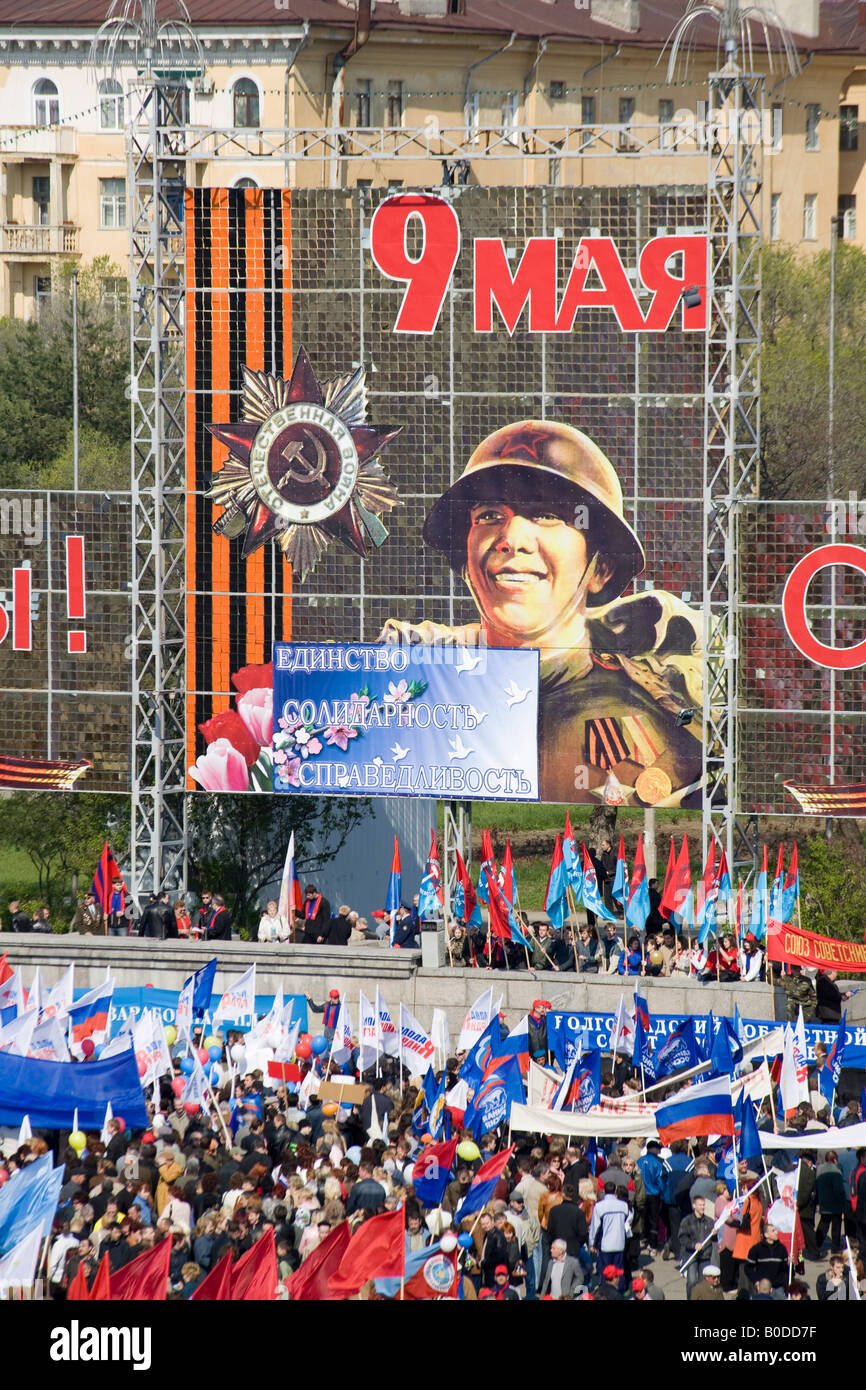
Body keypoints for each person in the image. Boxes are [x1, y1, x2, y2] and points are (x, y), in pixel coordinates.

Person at [378, 420, 703, 806]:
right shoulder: (411, 670)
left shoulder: (655, 712)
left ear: (601, 569)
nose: (511, 538)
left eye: (548, 515)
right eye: (487, 515)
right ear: (465, 560)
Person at [678, 1194, 716, 1299]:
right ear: (694, 1206)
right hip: (692, 1255)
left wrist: (715, 1234)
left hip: (705, 1256)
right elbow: (682, 1237)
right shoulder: (687, 1221)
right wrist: (693, 1245)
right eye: (700, 1205)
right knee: (692, 1281)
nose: (702, 1207)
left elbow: (714, 1239)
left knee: (703, 1283)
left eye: (703, 1205)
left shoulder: (709, 1221)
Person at [745, 1222, 789, 1299]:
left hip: (777, 1288)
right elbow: (748, 1268)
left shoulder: (782, 1249)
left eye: (775, 1230)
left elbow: (785, 1269)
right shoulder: (756, 1249)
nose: (776, 1232)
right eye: (773, 1231)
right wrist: (756, 1281)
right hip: (762, 1289)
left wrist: (789, 1264)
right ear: (766, 1235)